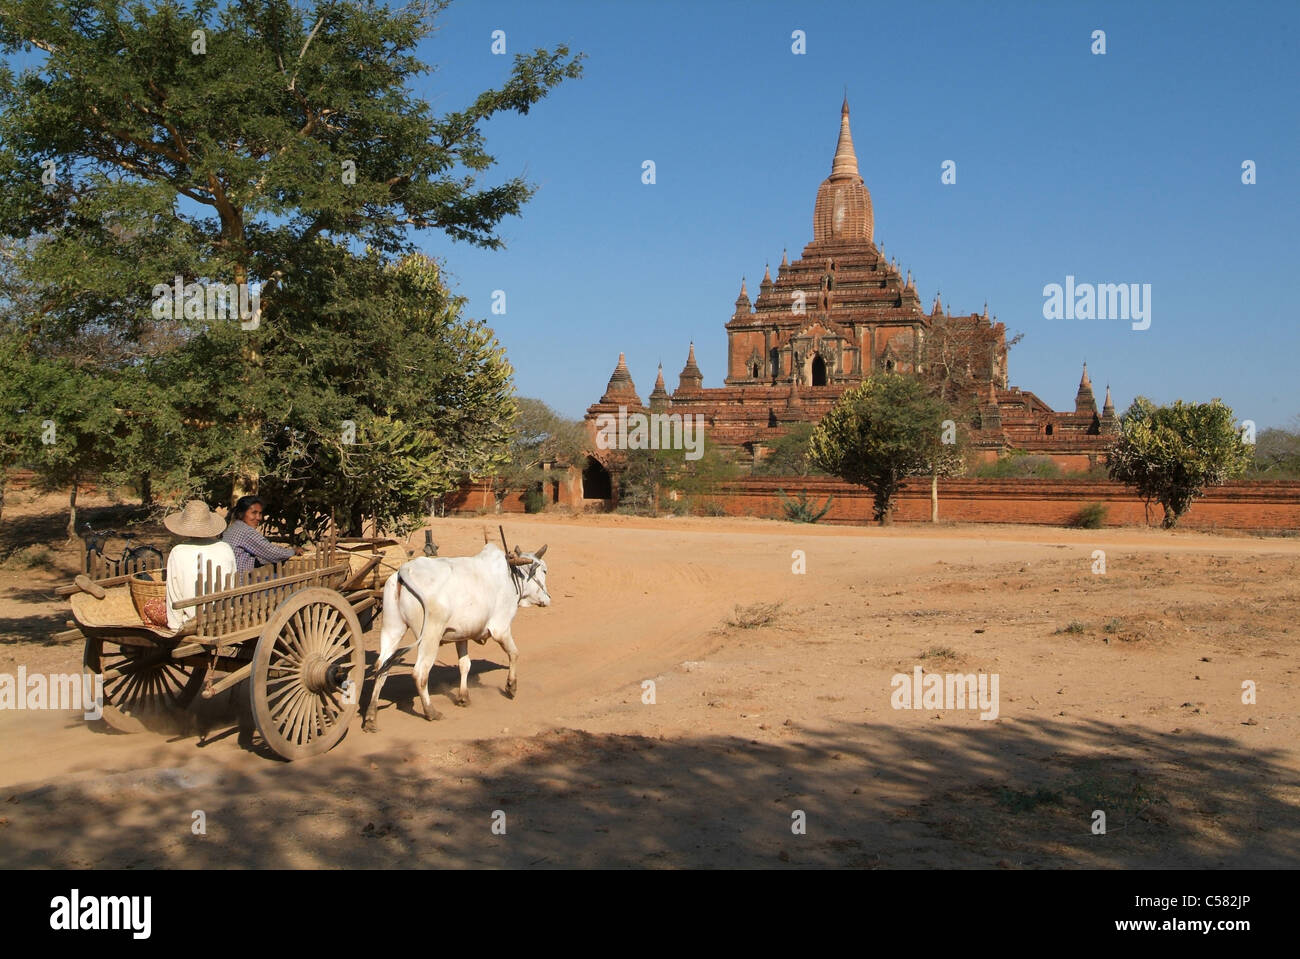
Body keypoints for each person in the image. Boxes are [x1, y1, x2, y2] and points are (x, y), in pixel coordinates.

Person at [164, 500, 238, 632]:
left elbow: (174, 592)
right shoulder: (225, 547)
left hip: (191, 620)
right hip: (222, 614)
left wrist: (175, 626)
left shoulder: (178, 551)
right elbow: (232, 583)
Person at [223, 495, 302, 573]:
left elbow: (261, 554)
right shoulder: (246, 531)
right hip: (240, 582)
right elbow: (272, 552)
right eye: (254, 513)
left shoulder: (233, 527)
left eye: (260, 513)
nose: (258, 517)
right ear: (241, 514)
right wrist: (293, 551)